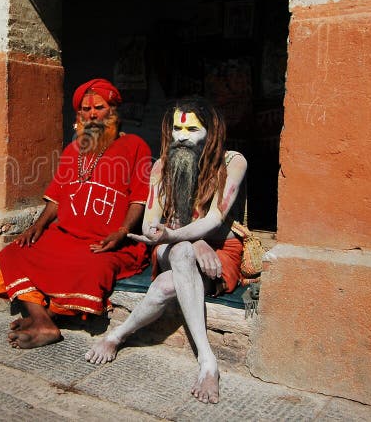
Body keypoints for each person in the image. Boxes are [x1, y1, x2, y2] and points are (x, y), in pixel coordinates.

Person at [84, 96, 248, 405]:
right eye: (176, 128)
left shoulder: (233, 162)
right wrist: (181, 238)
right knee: (184, 251)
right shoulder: (160, 167)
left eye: (192, 129)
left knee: (164, 284)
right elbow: (150, 226)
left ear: (210, 132)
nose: (181, 136)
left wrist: (190, 238)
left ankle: (116, 336)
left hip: (219, 247)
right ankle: (208, 362)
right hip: (171, 247)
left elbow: (215, 218)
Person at [0, 78, 152, 349]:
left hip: (106, 241)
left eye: (99, 108)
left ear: (113, 110)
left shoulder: (136, 146)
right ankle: (42, 320)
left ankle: (45, 319)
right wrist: (37, 225)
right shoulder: (73, 150)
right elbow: (56, 196)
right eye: (85, 109)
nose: (92, 114)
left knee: (93, 267)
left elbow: (139, 198)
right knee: (13, 252)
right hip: (64, 235)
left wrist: (122, 231)